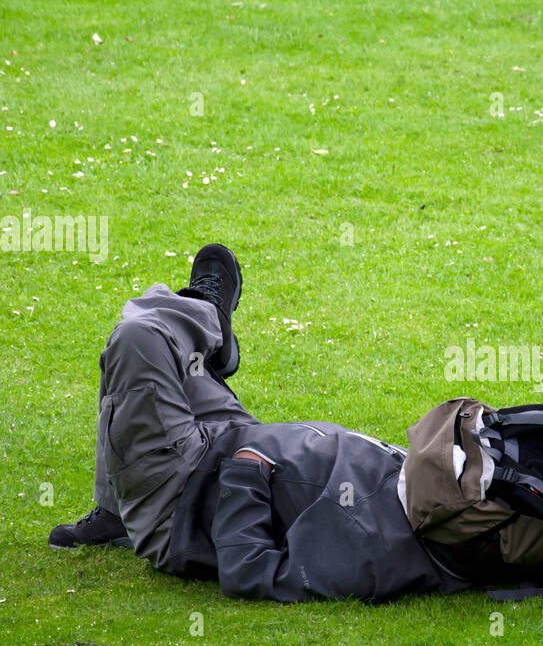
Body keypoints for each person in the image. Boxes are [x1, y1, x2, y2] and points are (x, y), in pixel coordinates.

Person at [49, 244, 468, 603]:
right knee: (169, 354)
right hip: (230, 438)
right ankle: (115, 509)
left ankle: (209, 318)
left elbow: (248, 569)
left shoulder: (386, 550)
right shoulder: (436, 491)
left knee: (139, 340)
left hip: (181, 496)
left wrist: (246, 476)